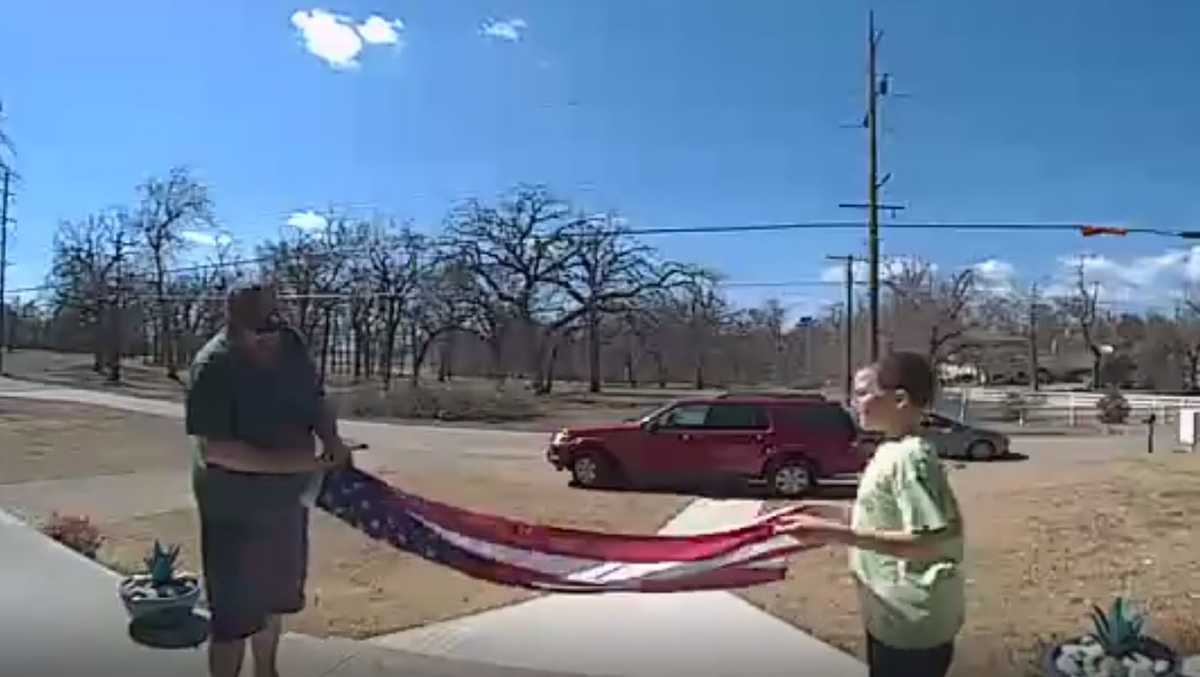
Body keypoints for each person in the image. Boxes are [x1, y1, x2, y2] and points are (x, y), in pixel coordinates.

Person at [185, 282, 353, 677]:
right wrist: (305, 465)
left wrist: (331, 438)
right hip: (232, 510)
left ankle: (267, 672)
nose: (271, 344)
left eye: (275, 330)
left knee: (274, 601)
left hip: (284, 504)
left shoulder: (289, 343)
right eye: (260, 336)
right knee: (232, 617)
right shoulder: (213, 366)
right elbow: (218, 450)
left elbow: (315, 397)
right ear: (235, 324)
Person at [775, 352, 964, 677]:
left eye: (862, 393)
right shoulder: (890, 449)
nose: (853, 402)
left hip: (912, 626)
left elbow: (929, 542)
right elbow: (881, 516)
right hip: (889, 616)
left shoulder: (911, 457)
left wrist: (834, 533)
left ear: (899, 399)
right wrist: (828, 513)